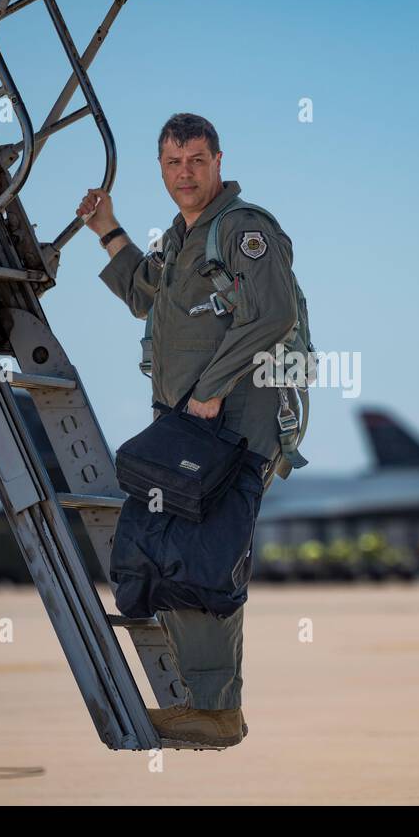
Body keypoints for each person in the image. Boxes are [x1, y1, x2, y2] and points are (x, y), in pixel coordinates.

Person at [79, 112, 299, 747]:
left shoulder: (244, 231)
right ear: (161, 168)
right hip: (187, 438)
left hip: (230, 433)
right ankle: (204, 703)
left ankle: (216, 710)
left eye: (197, 161)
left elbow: (273, 314)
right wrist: (108, 231)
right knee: (168, 560)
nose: (186, 173)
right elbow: (146, 294)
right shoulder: (181, 240)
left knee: (204, 566)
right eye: (174, 163)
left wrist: (208, 392)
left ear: (219, 161)